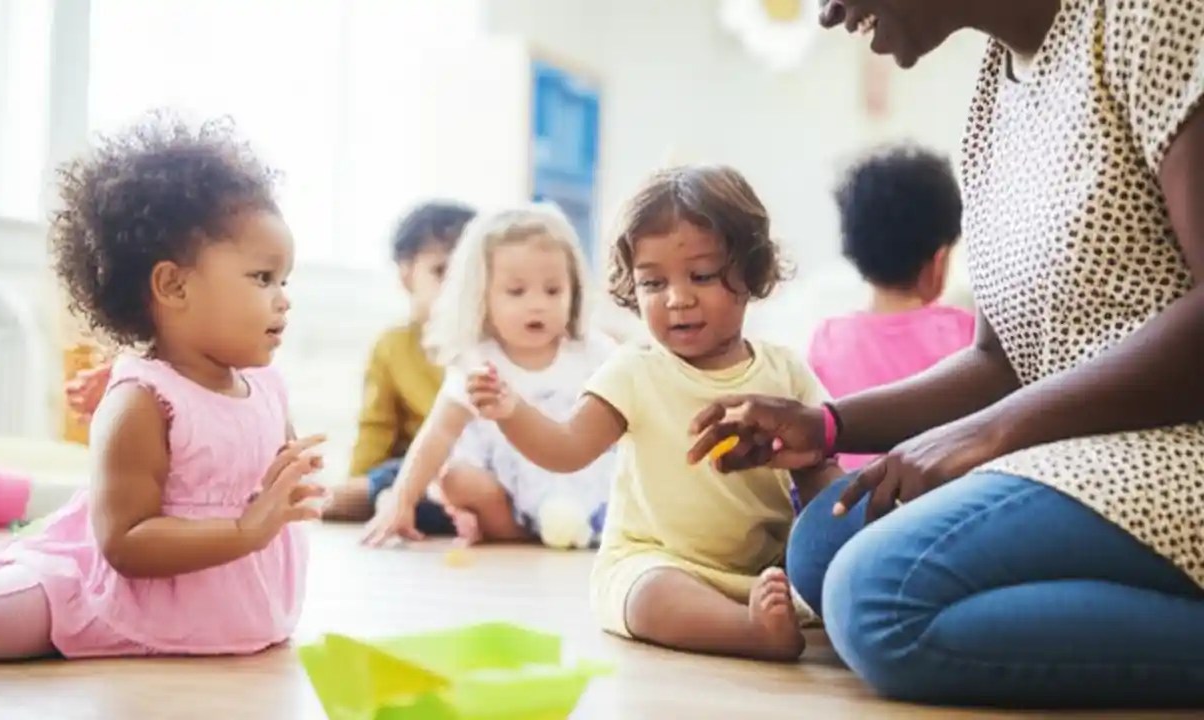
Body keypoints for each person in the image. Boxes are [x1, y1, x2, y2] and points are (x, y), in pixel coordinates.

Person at [688, 0, 1204, 706]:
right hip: (1072, 453)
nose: (831, 13)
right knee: (822, 543)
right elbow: (999, 358)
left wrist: (988, 435)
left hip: (1176, 455)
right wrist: (828, 425)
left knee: (876, 600)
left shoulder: (1148, 18)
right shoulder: (993, 99)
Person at [0, 113, 326, 660]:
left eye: (285, 280)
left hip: (233, 609)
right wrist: (245, 530)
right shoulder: (140, 402)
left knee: (15, 564)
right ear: (173, 284)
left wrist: (290, 482)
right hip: (127, 600)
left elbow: (260, 472)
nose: (283, 298)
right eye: (262, 278)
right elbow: (125, 543)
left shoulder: (267, 386)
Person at [465, 166, 842, 660]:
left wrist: (836, 518)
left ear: (751, 274)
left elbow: (821, 463)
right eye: (652, 283)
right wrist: (512, 410)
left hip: (766, 570)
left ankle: (758, 614)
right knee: (648, 600)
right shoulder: (634, 371)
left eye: (702, 276)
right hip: (656, 560)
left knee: (823, 569)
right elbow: (566, 448)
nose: (677, 298)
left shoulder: (784, 372)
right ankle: (749, 633)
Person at [362, 205, 615, 547]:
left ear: (575, 290)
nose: (537, 304)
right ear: (481, 296)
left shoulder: (592, 352)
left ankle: (578, 525)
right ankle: (519, 533)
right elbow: (438, 432)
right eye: (516, 291)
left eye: (553, 290)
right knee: (456, 477)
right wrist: (402, 500)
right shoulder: (478, 362)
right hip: (512, 495)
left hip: (589, 484)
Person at [808, 144, 973, 469]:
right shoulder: (966, 334)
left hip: (850, 505)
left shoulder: (827, 339)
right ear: (939, 261)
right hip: (939, 506)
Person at [322, 201, 476, 525]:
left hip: (477, 471)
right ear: (407, 276)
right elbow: (377, 426)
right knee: (388, 479)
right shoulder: (393, 346)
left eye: (470, 274)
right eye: (442, 272)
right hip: (416, 475)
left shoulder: (491, 345)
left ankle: (391, 500)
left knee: (410, 481)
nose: (458, 288)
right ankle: (384, 500)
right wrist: (359, 482)